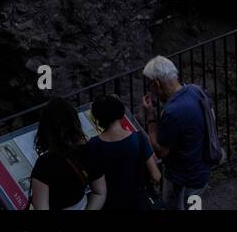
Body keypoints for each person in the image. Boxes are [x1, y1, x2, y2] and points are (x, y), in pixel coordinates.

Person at [142, 56, 216, 210]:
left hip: (182, 178)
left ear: (156, 83)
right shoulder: (196, 90)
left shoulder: (173, 112)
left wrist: (149, 116)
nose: (152, 91)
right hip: (201, 170)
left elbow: (160, 151)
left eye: (151, 86)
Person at [29, 97, 106, 211]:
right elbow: (100, 193)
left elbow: (41, 206)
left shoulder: (44, 163)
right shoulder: (88, 151)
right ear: (75, 122)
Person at [88, 94, 161, 211]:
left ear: (98, 117)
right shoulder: (138, 138)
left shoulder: (94, 144)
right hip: (138, 202)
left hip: (110, 204)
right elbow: (156, 176)